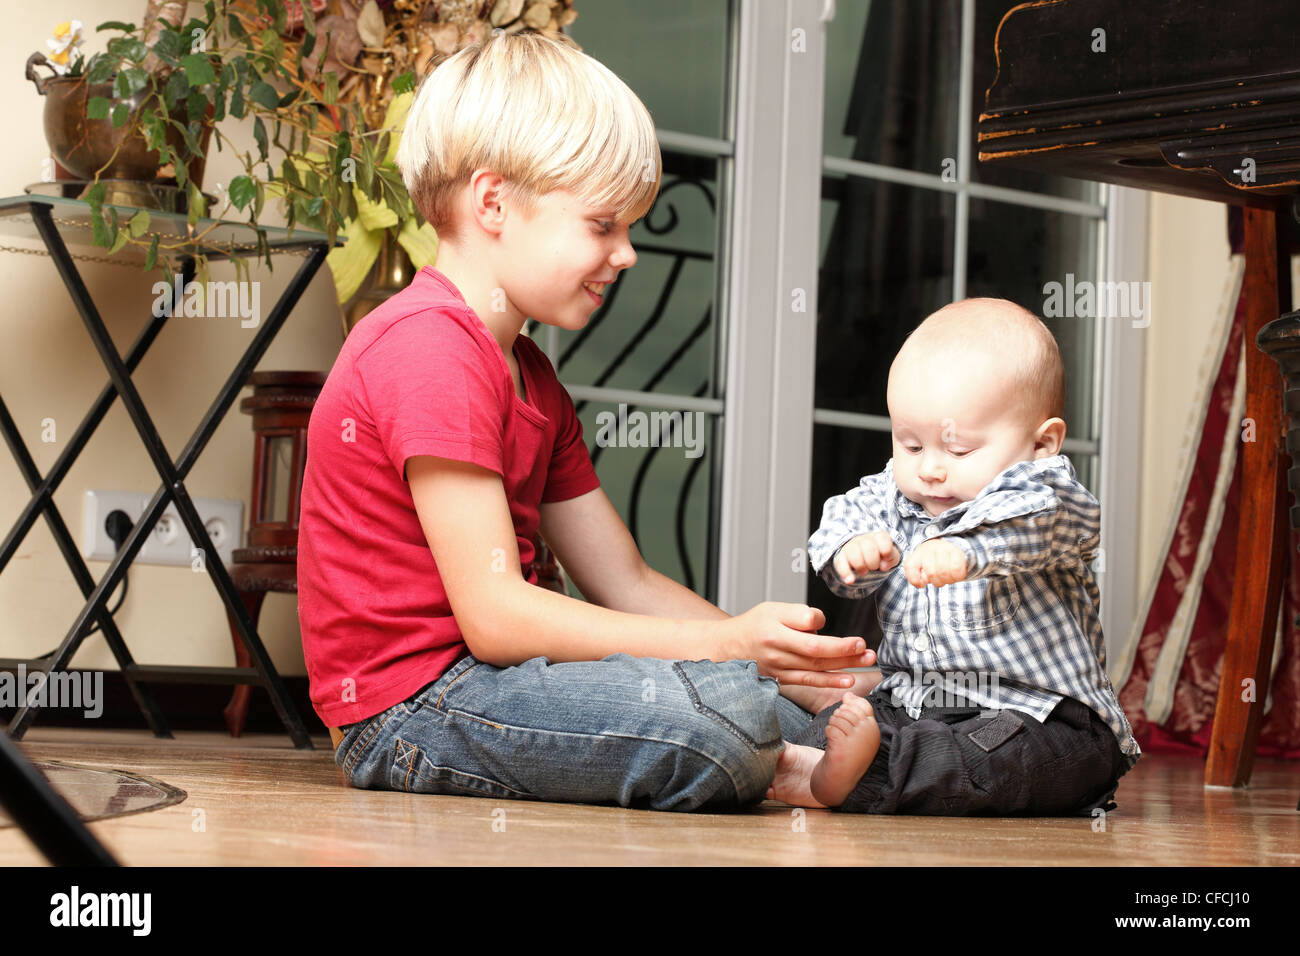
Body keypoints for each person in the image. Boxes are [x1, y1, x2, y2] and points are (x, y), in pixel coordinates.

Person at [296, 30, 873, 812]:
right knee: (727, 714)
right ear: (493, 202)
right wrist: (727, 654)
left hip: (508, 685)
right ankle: (787, 766)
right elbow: (496, 617)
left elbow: (624, 581)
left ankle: (804, 760)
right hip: (413, 709)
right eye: (603, 226)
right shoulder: (428, 349)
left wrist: (775, 660)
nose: (628, 253)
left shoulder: (531, 376)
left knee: (813, 704)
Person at [769, 298, 1141, 814]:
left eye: (959, 450)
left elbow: (1041, 525)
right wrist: (849, 554)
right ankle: (829, 764)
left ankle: (856, 774)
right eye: (911, 445)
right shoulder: (894, 497)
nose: (930, 471)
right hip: (922, 704)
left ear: (1042, 442)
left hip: (1043, 716)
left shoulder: (1049, 493)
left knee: (991, 762)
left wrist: (970, 553)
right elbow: (841, 521)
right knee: (857, 721)